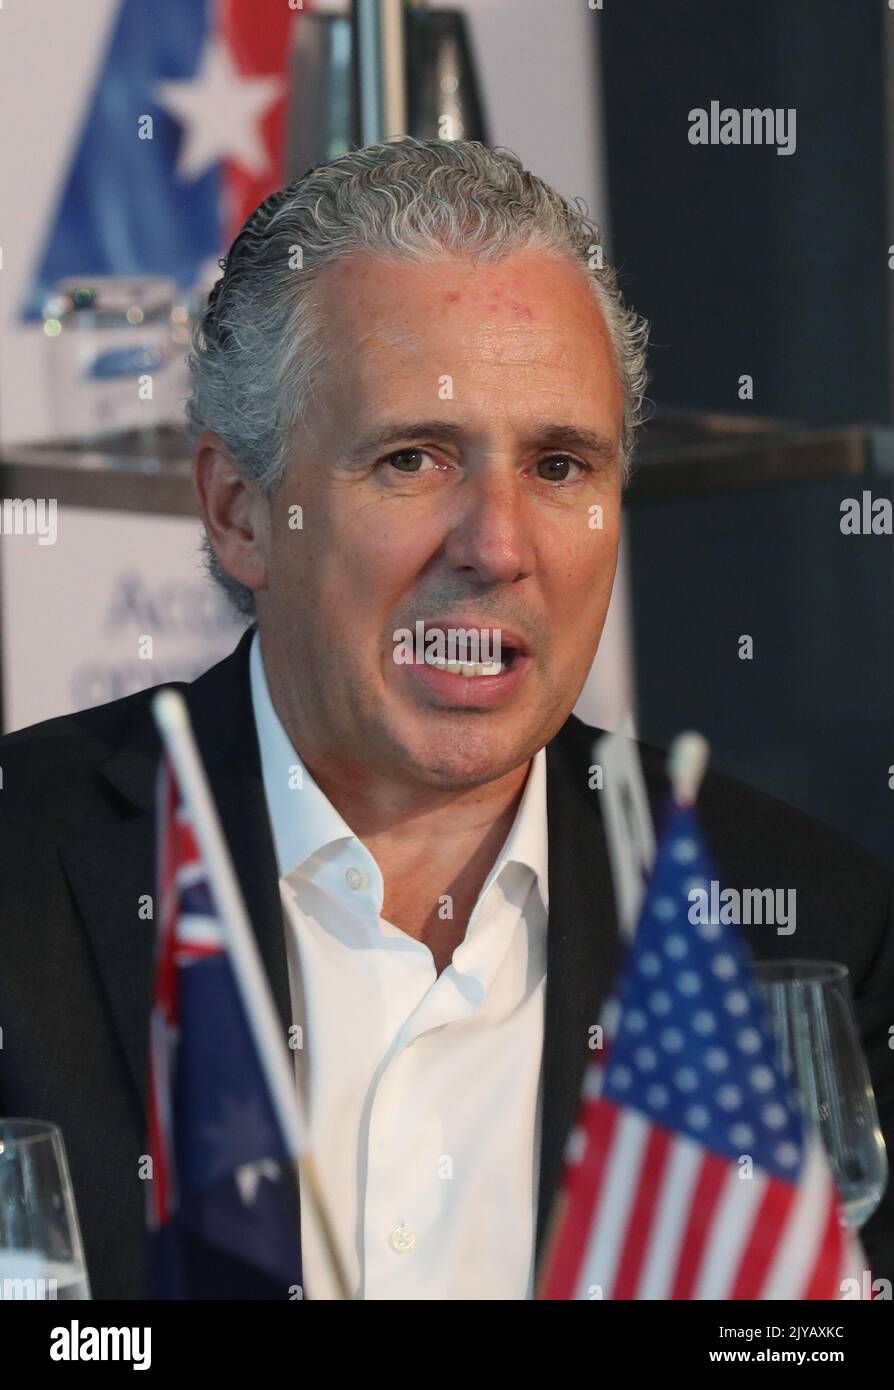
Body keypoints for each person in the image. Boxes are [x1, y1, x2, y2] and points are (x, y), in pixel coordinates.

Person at [1, 137, 891, 1299]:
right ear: (239, 514)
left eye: (561, 466)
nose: (498, 545)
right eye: (412, 459)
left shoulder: (808, 926)